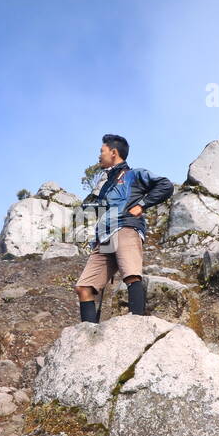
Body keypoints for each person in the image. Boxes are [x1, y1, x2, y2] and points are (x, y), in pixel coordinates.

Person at [74, 134, 174, 322]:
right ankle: (88, 334)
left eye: (102, 151)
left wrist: (142, 205)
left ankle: (136, 326)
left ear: (113, 152)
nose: (99, 156)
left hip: (125, 228)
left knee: (131, 276)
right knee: (84, 288)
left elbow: (165, 185)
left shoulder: (134, 174)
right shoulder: (106, 185)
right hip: (104, 239)